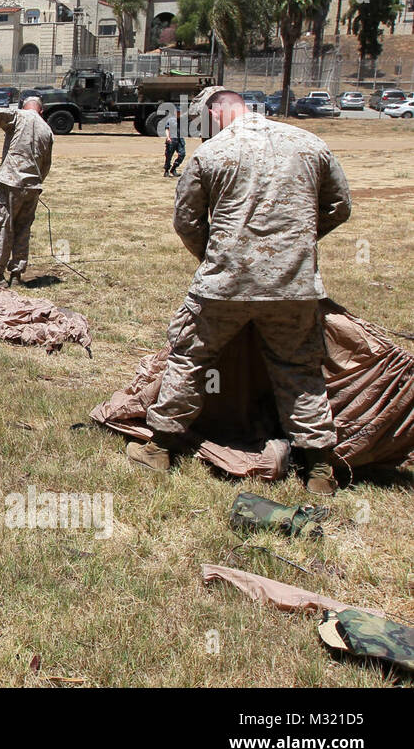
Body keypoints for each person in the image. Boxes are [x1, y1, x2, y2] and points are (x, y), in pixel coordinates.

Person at [125, 88, 352, 496]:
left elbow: (187, 220)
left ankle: (158, 449)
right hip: (293, 286)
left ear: (216, 112)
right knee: (300, 369)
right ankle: (319, 468)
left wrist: (212, 256)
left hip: (223, 285)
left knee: (190, 359)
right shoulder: (309, 144)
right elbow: (339, 206)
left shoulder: (210, 154)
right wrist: (295, 245)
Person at [0, 97, 54, 286]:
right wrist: (36, 182)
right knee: (23, 229)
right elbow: (46, 164)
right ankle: (16, 274)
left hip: (10, 183)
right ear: (41, 112)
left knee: (1, 227)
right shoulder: (47, 130)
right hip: (33, 187)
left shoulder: (18, 115)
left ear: (23, 106)